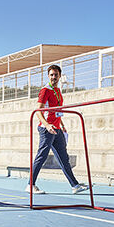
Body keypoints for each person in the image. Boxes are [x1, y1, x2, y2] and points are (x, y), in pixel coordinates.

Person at [27, 64, 88, 194]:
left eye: (56, 75)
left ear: (60, 76)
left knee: (63, 157)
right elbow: (38, 111)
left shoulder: (58, 91)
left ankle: (75, 185)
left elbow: (57, 111)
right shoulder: (45, 90)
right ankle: (30, 185)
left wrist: (62, 125)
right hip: (46, 129)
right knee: (41, 156)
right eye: (51, 75)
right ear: (48, 76)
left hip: (57, 128)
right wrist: (47, 125)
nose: (54, 77)